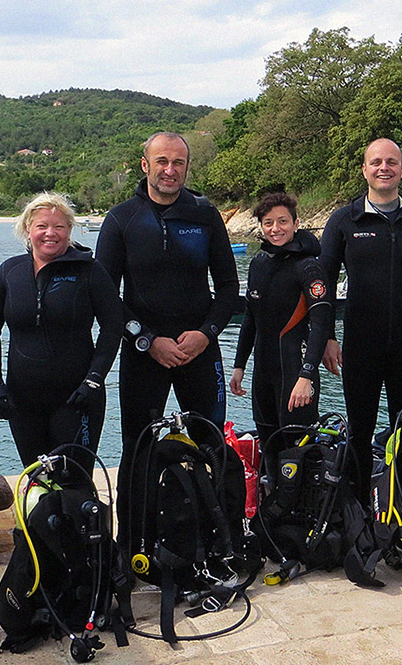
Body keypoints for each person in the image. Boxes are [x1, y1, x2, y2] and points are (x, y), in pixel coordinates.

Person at [95, 132, 240, 515]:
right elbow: (106, 297)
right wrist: (147, 340)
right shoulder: (121, 219)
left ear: (187, 167)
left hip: (199, 350)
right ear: (146, 165)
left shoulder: (204, 215)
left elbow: (228, 287)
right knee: (138, 447)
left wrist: (207, 334)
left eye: (178, 163)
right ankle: (132, 545)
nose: (170, 170)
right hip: (145, 355)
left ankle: (221, 539)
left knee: (211, 443)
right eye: (162, 161)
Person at [319, 138, 402, 496]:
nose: (384, 168)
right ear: (364, 169)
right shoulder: (345, 220)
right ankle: (359, 510)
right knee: (360, 429)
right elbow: (322, 284)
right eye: (376, 162)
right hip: (360, 343)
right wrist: (327, 336)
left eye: (391, 162)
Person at [0, 192, 122, 474]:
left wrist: (94, 379)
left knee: (74, 484)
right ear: (28, 230)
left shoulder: (89, 271)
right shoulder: (9, 272)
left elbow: (113, 325)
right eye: (42, 226)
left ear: (70, 231)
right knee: (36, 482)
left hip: (77, 398)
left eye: (59, 227)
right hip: (23, 401)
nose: (50, 234)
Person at [229, 192, 331, 446]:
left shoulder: (308, 267)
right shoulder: (258, 263)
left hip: (296, 374)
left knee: (299, 454)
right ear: (261, 227)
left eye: (283, 221)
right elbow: (250, 319)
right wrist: (239, 366)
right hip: (263, 373)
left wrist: (307, 375)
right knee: (269, 448)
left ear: (296, 224)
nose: (276, 229)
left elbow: (321, 322)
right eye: (268, 223)